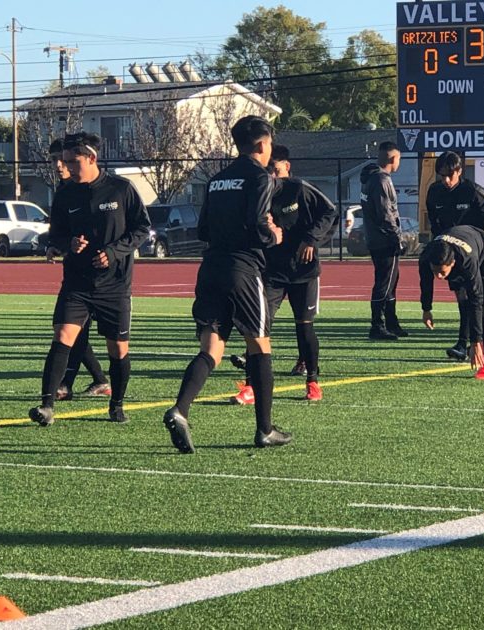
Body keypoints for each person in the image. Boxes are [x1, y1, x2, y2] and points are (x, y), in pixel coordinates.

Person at [163, 116, 290, 454]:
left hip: (211, 268)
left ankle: (180, 409)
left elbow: (203, 229)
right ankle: (265, 429)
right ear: (263, 145)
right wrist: (273, 234)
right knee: (259, 346)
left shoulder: (216, 179)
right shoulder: (261, 177)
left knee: (211, 349)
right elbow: (259, 221)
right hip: (243, 270)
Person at [29, 132, 151, 426]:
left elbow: (142, 229)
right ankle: (46, 406)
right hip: (77, 283)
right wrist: (64, 244)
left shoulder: (121, 189)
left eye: (73, 162)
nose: (67, 167)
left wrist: (114, 251)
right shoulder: (65, 194)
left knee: (118, 349)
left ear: (92, 158)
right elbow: (55, 234)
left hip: (115, 285)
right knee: (62, 336)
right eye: (65, 162)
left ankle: (116, 404)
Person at [230, 144, 338, 405]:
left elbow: (329, 212)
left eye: (276, 170)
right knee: (259, 328)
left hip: (304, 270)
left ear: (286, 168)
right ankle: (250, 386)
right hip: (272, 271)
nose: (272, 175)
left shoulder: (299, 188)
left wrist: (311, 240)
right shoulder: (260, 192)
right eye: (268, 170)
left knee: (304, 326)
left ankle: (312, 381)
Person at [424, 151, 484, 361]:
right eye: (441, 176)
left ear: (459, 172)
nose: (445, 180)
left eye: (449, 175)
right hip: (450, 254)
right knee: (463, 300)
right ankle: (477, 340)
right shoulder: (434, 192)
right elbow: (435, 225)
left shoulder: (473, 191)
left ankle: (472, 344)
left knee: (478, 302)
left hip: (478, 254)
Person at [44, 138, 111, 402]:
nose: (60, 165)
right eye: (55, 161)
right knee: (71, 329)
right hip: (75, 272)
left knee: (77, 330)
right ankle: (96, 379)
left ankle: (68, 383)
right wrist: (57, 246)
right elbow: (58, 233)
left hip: (104, 276)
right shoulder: (64, 191)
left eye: (66, 160)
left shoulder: (106, 188)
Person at [419, 226, 484, 380]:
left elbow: (476, 299)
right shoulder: (426, 256)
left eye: (442, 272)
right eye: (435, 271)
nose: (438, 276)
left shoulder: (466, 260)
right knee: (463, 304)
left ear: (453, 263)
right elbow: (425, 282)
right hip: (464, 243)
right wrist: (426, 309)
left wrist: (476, 341)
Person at [361, 141, 406, 340]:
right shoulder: (381, 180)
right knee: (384, 282)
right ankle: (377, 325)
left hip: (375, 237)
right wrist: (397, 237)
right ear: (393, 158)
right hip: (384, 240)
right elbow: (385, 213)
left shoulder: (370, 178)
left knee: (390, 281)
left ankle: (391, 322)